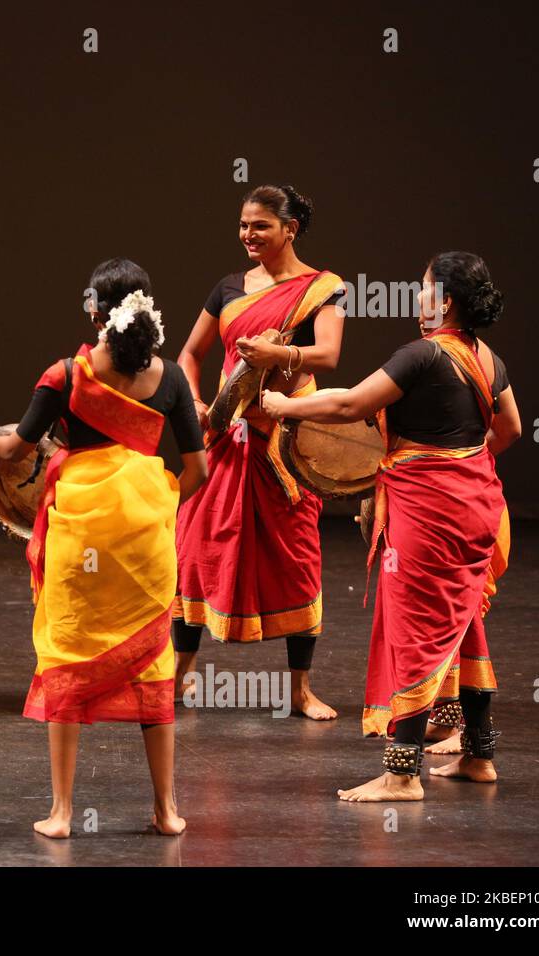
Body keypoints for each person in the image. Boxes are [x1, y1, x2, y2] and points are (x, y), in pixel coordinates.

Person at [262, 251, 520, 802]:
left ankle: (402, 773)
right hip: (477, 506)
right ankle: (480, 755)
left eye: (423, 289)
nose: (416, 297)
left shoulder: (422, 356)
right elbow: (512, 429)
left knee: (416, 630)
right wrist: (462, 462)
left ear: (444, 301)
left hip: (429, 514)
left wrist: (287, 405)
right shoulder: (488, 358)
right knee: (465, 621)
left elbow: (352, 404)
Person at [0, 258, 207, 837]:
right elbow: (197, 469)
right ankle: (167, 811)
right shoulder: (172, 378)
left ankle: (63, 813)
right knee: (153, 664)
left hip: (79, 534)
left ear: (96, 311)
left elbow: (17, 449)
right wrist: (157, 500)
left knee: (68, 654)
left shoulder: (66, 374)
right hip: (146, 537)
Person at [172, 185, 345, 719]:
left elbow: (330, 355)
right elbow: (189, 354)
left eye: (260, 226)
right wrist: (197, 402)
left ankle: (299, 690)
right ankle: (179, 678)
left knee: (296, 557)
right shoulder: (228, 287)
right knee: (194, 553)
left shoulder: (323, 289)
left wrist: (279, 353)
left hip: (287, 442)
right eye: (244, 224)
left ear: (289, 230)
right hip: (225, 436)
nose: (248, 234)